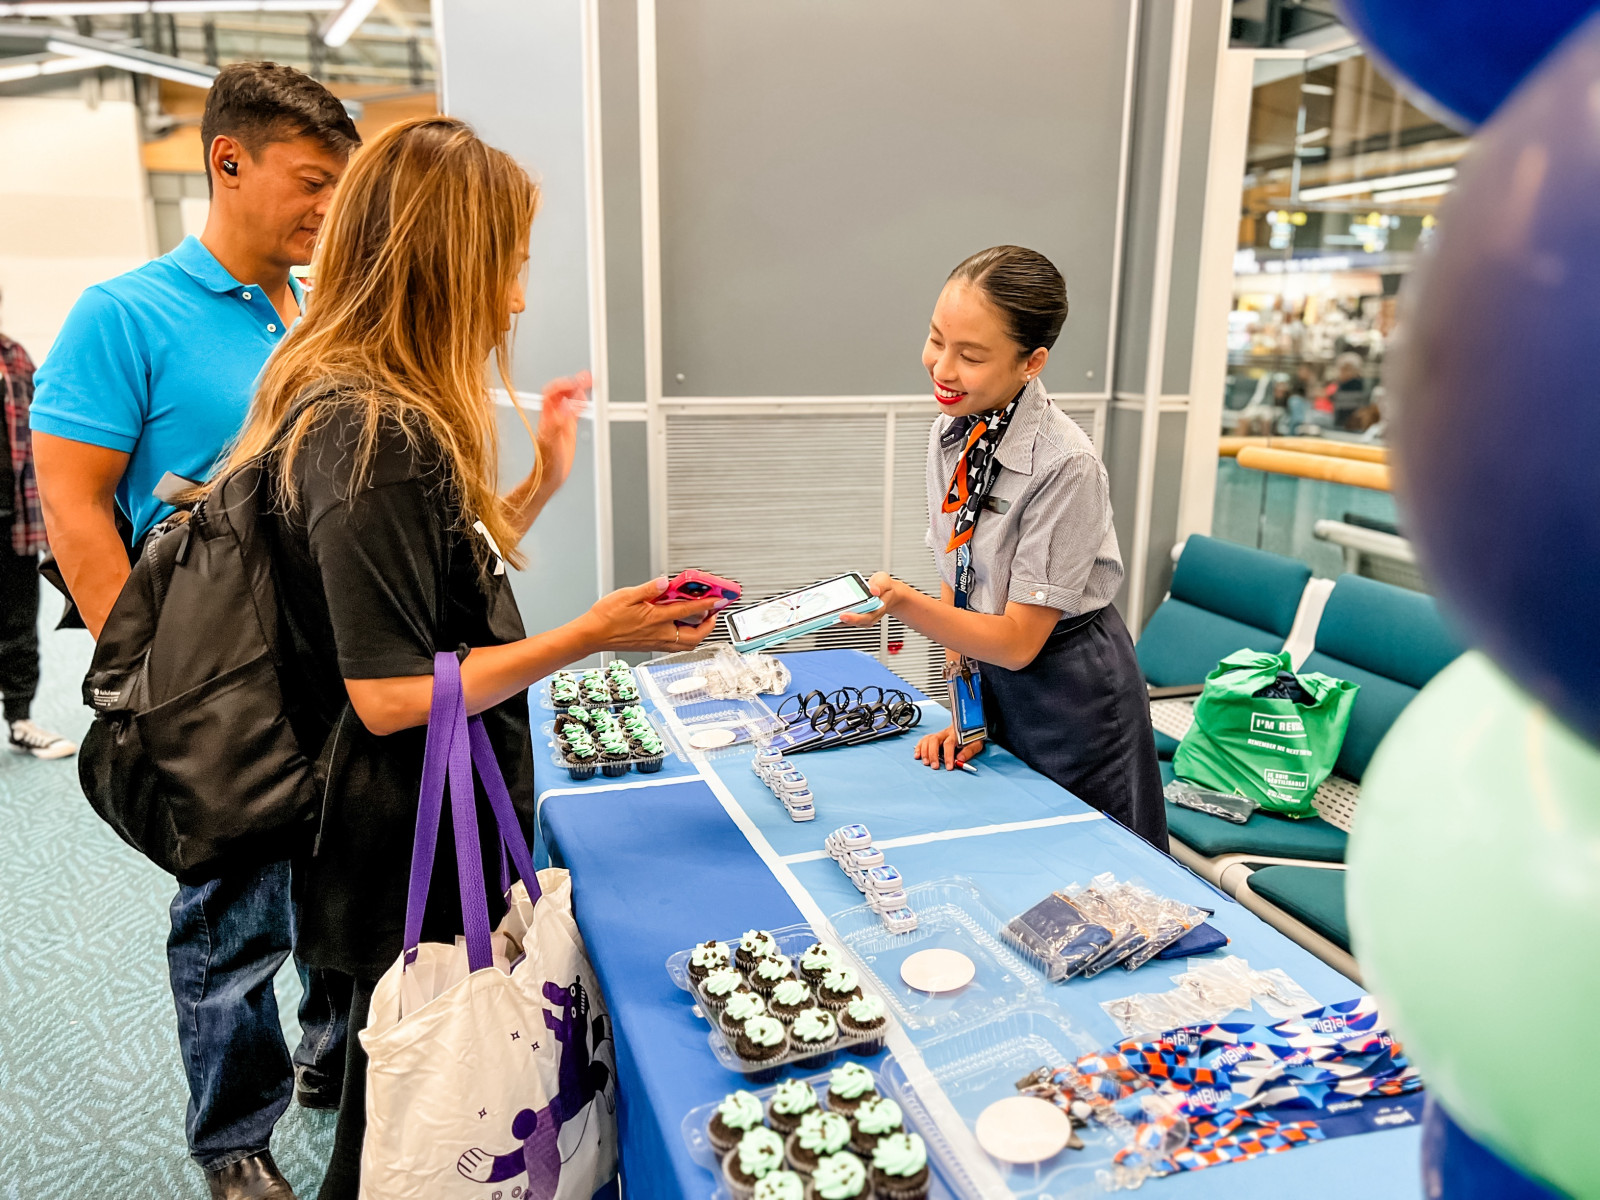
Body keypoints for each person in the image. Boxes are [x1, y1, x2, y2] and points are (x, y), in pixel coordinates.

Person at [211, 115, 719, 1199]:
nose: (519, 298)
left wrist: (538, 481)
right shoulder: (375, 433)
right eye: (513, 265)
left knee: (402, 1097)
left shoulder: (349, 404)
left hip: (390, 824)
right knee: (416, 1115)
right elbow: (393, 692)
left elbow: (430, 592)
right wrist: (592, 633)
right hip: (404, 834)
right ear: (451, 261)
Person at [30, 63, 361, 1200]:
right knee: (230, 916)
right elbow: (74, 502)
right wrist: (148, 667)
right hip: (208, 674)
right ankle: (233, 1139)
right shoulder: (124, 313)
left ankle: (326, 1055)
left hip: (329, 658)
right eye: (311, 182)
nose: (328, 208)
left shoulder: (313, 312)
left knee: (332, 873)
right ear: (229, 160)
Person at [843, 246, 1166, 847]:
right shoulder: (951, 429)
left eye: (970, 356)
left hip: (1071, 688)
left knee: (1093, 877)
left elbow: (1019, 642)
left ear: (1031, 362)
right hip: (995, 668)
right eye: (936, 340)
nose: (942, 368)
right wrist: (967, 713)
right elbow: (958, 574)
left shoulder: (1066, 464)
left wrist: (900, 604)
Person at [0, 295, 76, 758]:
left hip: (13, 521)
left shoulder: (15, 358)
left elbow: (37, 444)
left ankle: (20, 720)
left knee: (18, 626)